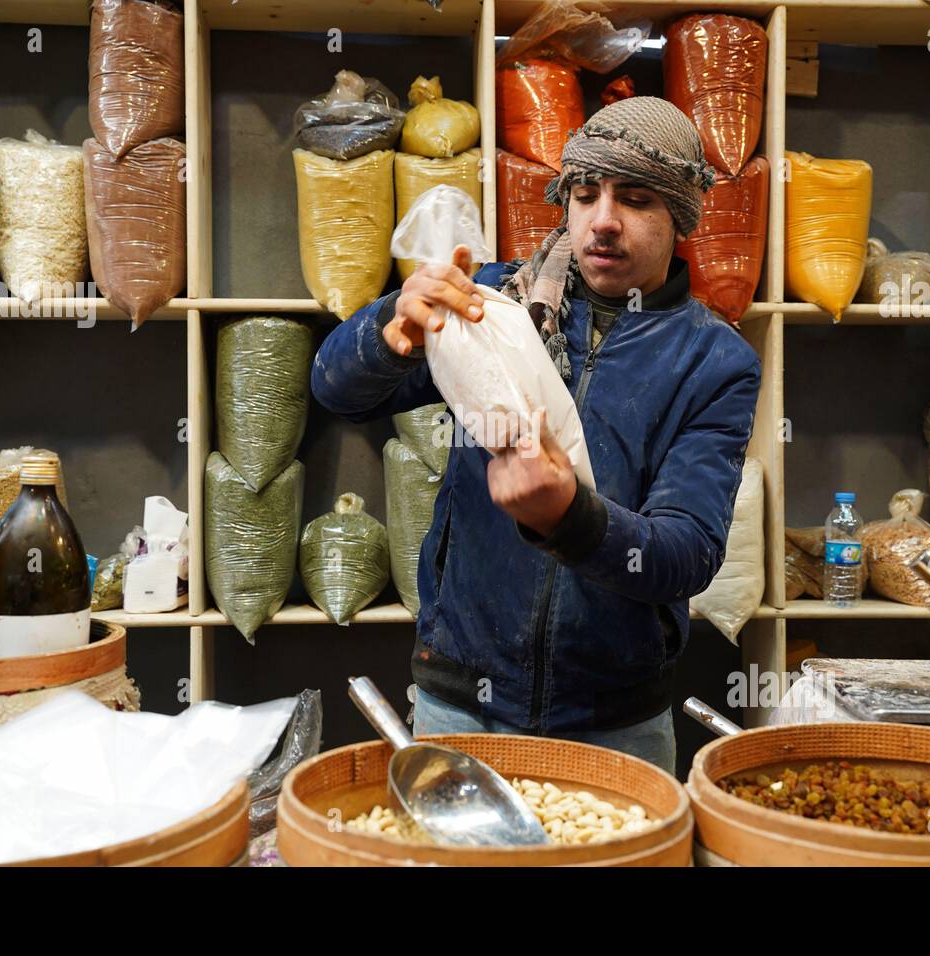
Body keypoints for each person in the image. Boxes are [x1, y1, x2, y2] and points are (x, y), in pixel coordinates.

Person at [310, 96, 761, 775]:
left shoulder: (713, 361)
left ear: (681, 217)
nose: (602, 221)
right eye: (585, 194)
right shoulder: (496, 304)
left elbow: (687, 554)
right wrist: (389, 334)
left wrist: (570, 519)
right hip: (461, 702)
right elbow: (336, 393)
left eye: (635, 199)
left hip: (618, 724)